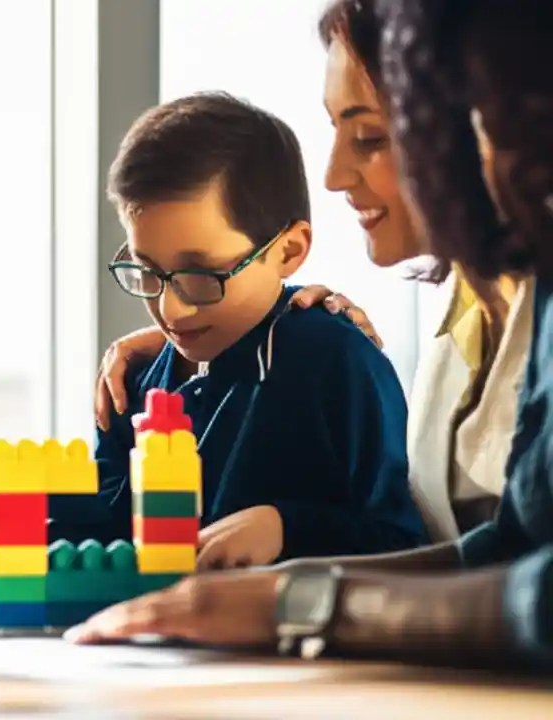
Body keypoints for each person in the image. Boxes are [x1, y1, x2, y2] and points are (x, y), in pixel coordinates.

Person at [67, 0, 553, 671]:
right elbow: (505, 548)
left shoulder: (332, 354)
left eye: (373, 137)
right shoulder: (484, 306)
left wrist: (298, 595)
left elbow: (507, 572)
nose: (331, 176)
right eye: (151, 276)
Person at [50, 92, 425, 569]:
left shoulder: (335, 361)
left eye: (200, 275)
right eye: (147, 273)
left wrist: (286, 528)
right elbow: (112, 531)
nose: (170, 310)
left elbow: (401, 544)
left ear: (288, 251)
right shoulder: (137, 378)